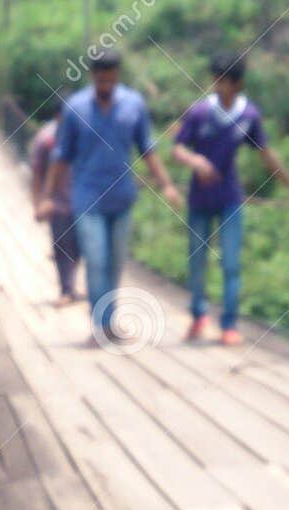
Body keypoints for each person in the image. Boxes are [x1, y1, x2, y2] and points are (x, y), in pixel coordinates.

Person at [36, 49, 183, 345]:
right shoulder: (75, 108)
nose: (105, 85)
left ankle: (109, 320)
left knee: (115, 262)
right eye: (100, 79)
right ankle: (100, 326)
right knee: (96, 258)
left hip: (121, 197)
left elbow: (147, 148)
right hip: (87, 197)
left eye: (110, 79)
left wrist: (166, 184)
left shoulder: (134, 105)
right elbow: (61, 156)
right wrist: (46, 196)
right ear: (93, 76)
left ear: (117, 76)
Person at [173, 53, 289, 346]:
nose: (217, 86)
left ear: (238, 84)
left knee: (231, 263)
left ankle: (229, 324)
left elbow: (266, 154)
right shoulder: (199, 113)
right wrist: (197, 162)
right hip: (199, 199)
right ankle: (198, 315)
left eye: (223, 81)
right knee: (197, 261)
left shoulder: (249, 116)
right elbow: (178, 149)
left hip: (230, 198)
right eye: (215, 80)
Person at [29, 106, 80, 306]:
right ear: (57, 116)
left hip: (82, 200)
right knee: (61, 246)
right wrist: (38, 204)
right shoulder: (46, 140)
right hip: (56, 203)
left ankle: (71, 283)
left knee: (78, 246)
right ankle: (66, 289)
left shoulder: (83, 135)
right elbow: (37, 173)